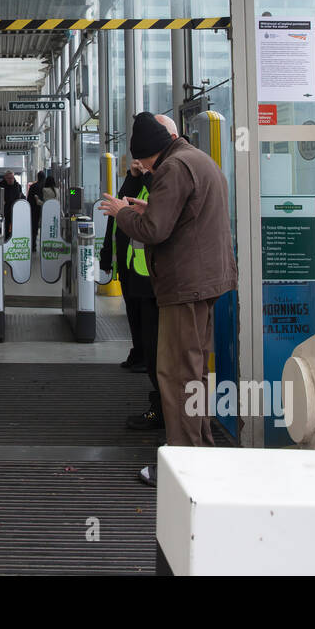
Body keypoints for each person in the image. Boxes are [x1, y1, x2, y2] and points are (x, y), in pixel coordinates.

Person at [98, 113, 236, 479]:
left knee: (175, 374)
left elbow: (155, 230)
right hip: (205, 283)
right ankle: (200, 451)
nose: (140, 166)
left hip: (184, 286)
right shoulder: (198, 159)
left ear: (149, 151)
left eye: (140, 160)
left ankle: (182, 464)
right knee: (193, 372)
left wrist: (124, 212)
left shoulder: (173, 169)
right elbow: (183, 217)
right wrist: (148, 208)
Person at [98, 154, 165, 433]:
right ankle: (139, 357)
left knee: (157, 348)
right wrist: (134, 176)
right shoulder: (140, 179)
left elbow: (156, 217)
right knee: (142, 334)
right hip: (132, 271)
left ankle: (163, 411)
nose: (140, 161)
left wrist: (146, 176)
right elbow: (120, 210)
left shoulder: (164, 179)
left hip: (152, 278)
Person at [0, 169, 22, 238]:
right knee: (5, 227)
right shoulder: (0, 185)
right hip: (5, 210)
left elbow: (21, 196)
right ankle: (6, 239)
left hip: (15, 210)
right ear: (5, 178)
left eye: (12, 178)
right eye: (9, 178)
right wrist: (0, 200)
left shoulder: (17, 186)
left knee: (15, 226)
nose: (11, 180)